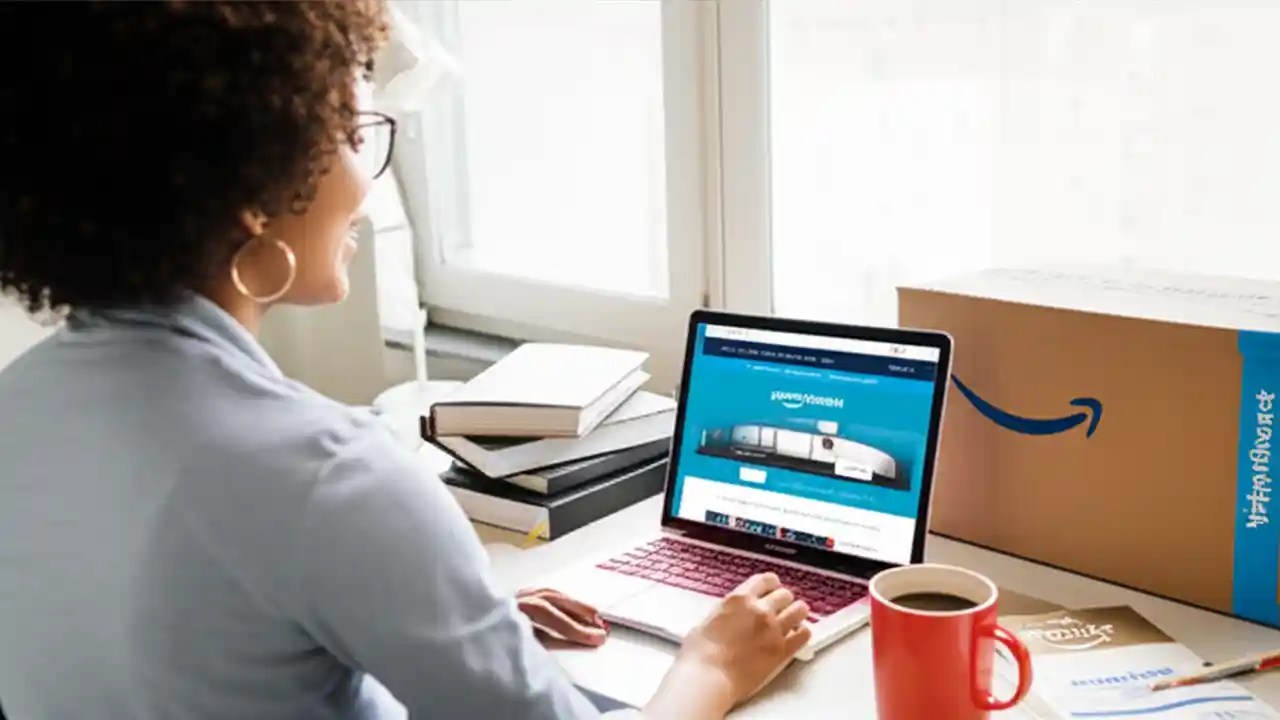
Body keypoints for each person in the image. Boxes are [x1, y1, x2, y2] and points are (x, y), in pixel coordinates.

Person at [0, 3, 812, 719]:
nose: (368, 178)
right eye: (354, 135)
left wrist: (445, 623)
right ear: (256, 185)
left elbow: (199, 644)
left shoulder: (20, 404)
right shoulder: (327, 475)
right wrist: (710, 667)